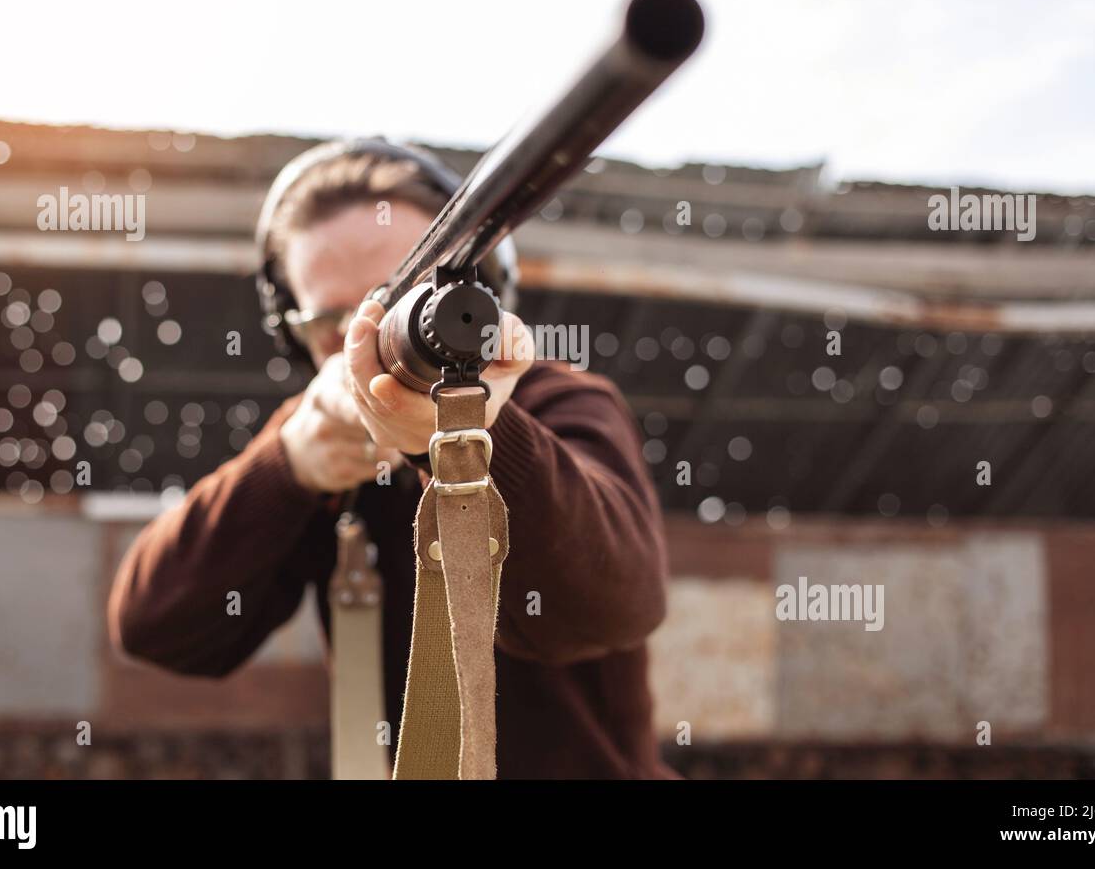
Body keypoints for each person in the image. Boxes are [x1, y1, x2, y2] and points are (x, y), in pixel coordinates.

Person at [107, 139, 672, 778]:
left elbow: (615, 603)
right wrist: (286, 470)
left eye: (394, 306)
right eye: (331, 326)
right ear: (296, 336)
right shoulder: (318, 444)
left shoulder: (562, 402)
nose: (362, 341)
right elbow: (155, 627)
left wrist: (474, 438)